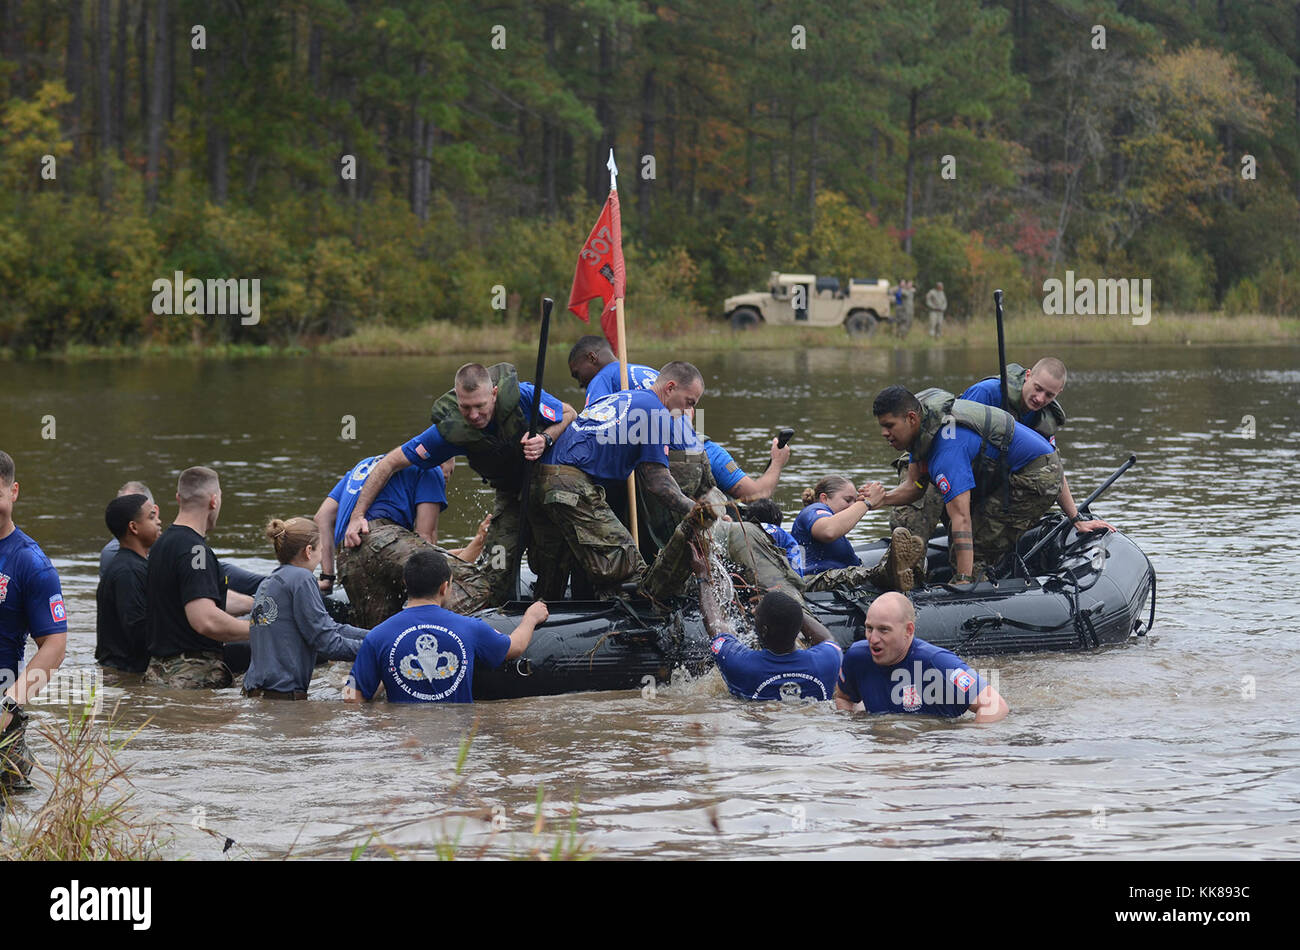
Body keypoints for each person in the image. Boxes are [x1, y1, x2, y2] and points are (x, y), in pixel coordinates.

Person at [342, 362, 575, 606]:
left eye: (480, 406)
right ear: (457, 401)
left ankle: (554, 609)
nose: (474, 415)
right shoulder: (449, 430)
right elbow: (389, 463)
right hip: (510, 495)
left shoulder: (525, 396)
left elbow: (569, 413)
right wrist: (357, 515)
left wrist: (546, 438)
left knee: (552, 559)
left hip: (550, 484)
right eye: (466, 407)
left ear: (494, 394)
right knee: (496, 570)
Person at [530, 363, 707, 599]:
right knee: (628, 563)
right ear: (671, 388)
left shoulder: (626, 396)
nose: (689, 411)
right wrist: (696, 510)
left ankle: (542, 611)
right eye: (689, 402)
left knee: (558, 566)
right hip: (570, 484)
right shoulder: (657, 412)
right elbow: (657, 482)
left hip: (542, 478)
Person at [865, 386, 1063, 585]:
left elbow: (961, 518)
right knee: (952, 533)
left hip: (1037, 476)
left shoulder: (946, 453)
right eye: (882, 426)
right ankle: (910, 573)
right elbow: (915, 487)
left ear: (911, 418)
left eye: (889, 425)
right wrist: (882, 499)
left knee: (974, 548)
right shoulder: (922, 428)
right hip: (1002, 470)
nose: (884, 433)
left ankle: (976, 586)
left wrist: (963, 579)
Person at [343, 550, 548, 704]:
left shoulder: (378, 636)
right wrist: (530, 618)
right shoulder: (471, 628)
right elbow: (515, 647)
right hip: (455, 739)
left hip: (406, 743)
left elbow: (350, 696)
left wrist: (385, 673)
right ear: (444, 587)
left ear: (406, 583)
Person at [315, 453, 491, 628]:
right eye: (449, 474)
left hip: (348, 557)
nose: (446, 481)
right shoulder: (431, 466)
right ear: (445, 462)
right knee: (476, 584)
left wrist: (328, 577)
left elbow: (323, 517)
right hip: (383, 536)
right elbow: (426, 538)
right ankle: (425, 628)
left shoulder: (364, 466)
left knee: (380, 632)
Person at [144, 466, 253, 689]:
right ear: (213, 501)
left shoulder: (162, 545)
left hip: (158, 674)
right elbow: (205, 619)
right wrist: (262, 630)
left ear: (178, 498)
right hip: (192, 675)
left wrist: (254, 603)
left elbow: (196, 594)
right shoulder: (196, 551)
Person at [692, 542, 842, 702]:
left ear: (764, 630)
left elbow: (716, 626)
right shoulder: (828, 660)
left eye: (757, 614)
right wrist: (792, 606)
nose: (754, 613)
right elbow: (828, 639)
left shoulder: (741, 665)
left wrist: (702, 577)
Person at [0, 451, 68, 792]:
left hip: (1, 706)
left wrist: (11, 703)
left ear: (13, 492)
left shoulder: (30, 562)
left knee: (11, 807)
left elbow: (54, 646)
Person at [244, 518, 368, 700]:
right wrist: (376, 649)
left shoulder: (269, 582)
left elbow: (330, 627)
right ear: (309, 551)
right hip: (283, 701)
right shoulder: (302, 578)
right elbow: (327, 643)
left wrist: (375, 636)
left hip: (256, 694)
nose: (323, 556)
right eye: (321, 550)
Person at [834, 592, 1007, 722]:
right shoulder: (857, 657)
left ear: (908, 630)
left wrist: (968, 746)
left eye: (884, 630)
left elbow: (995, 705)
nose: (873, 639)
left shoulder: (936, 662)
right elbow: (843, 698)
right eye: (869, 628)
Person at [95, 493, 162, 674]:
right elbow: (137, 630)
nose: (159, 521)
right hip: (124, 672)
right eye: (151, 517)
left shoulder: (135, 565)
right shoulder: (128, 572)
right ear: (133, 527)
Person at [568, 335, 660, 407]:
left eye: (577, 374)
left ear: (592, 358)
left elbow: (593, 426)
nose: (580, 384)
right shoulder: (650, 371)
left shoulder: (602, 380)